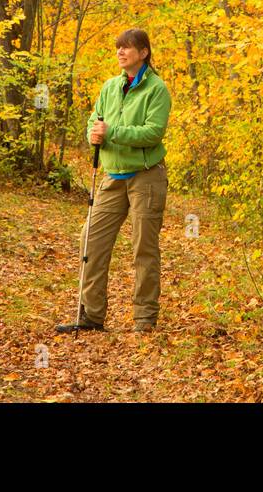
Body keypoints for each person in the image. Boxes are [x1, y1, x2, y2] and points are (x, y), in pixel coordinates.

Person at [56, 28, 172, 334]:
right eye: (118, 48)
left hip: (146, 176)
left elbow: (153, 132)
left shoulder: (156, 89)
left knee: (143, 248)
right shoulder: (110, 86)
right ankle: (91, 314)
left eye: (127, 48)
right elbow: (95, 121)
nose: (120, 52)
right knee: (90, 239)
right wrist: (93, 133)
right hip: (112, 176)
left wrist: (112, 133)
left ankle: (144, 319)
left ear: (144, 52)